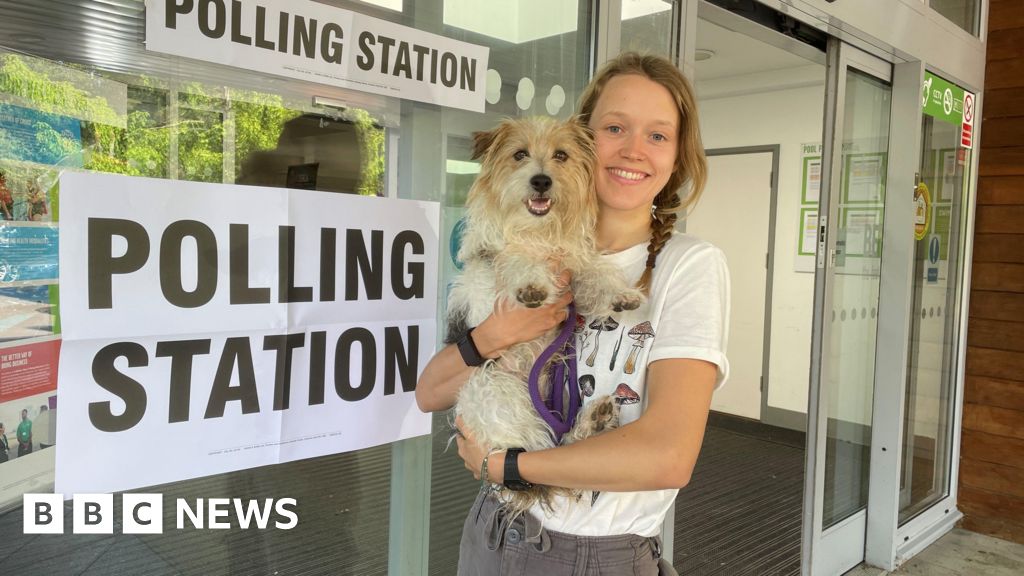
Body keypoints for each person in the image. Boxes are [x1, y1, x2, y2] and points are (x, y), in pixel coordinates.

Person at [416, 52, 730, 575]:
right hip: (489, 530)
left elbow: (669, 457)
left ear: (677, 157)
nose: (633, 149)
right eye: (615, 127)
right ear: (586, 139)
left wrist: (507, 465)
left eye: (657, 135)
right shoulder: (521, 247)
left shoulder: (689, 266)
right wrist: (496, 334)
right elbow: (431, 393)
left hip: (589, 553)